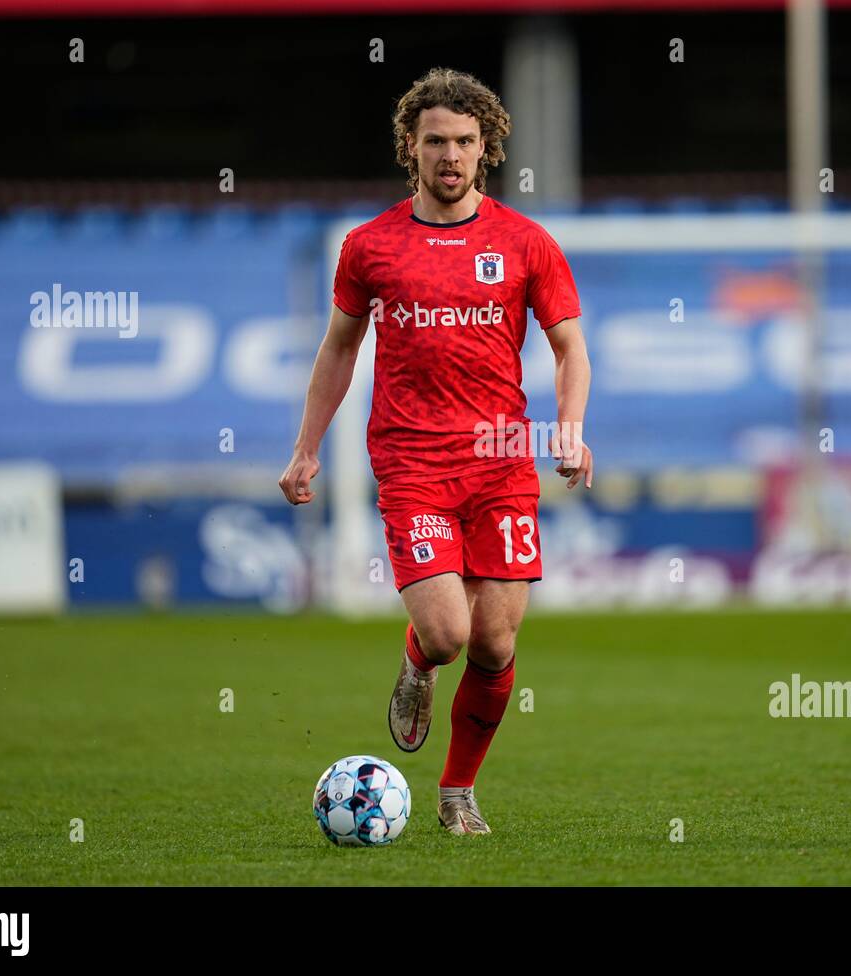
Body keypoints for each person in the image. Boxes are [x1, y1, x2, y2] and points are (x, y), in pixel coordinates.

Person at [279, 67, 593, 835]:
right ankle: (418, 662)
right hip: (412, 459)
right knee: (450, 633)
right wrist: (305, 448)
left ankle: (458, 792)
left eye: (463, 142)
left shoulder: (525, 243)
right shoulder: (371, 245)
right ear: (410, 148)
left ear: (485, 149)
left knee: (495, 639)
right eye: (434, 142)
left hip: (501, 457)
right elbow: (338, 349)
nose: (449, 156)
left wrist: (572, 427)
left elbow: (570, 347)